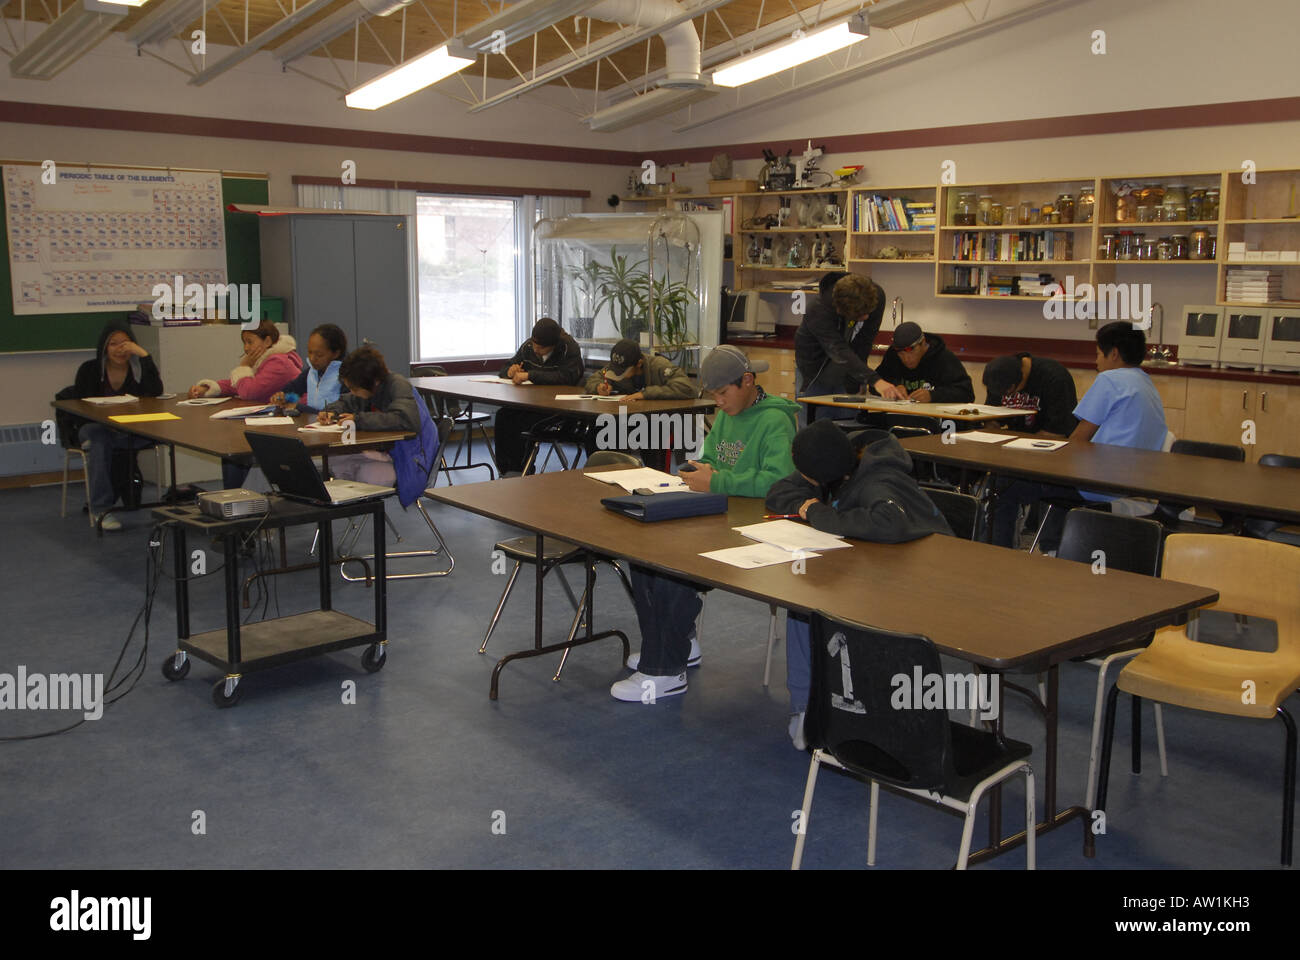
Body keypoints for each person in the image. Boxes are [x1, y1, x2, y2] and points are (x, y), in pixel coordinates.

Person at [612, 346, 799, 703]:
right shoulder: (729, 412)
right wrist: (696, 471)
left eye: (723, 393)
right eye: (712, 394)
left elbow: (778, 482)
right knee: (644, 553)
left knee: (672, 564)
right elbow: (712, 458)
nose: (718, 401)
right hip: (720, 513)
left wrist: (717, 482)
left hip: (757, 529)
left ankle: (665, 671)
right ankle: (676, 644)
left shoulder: (776, 421)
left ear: (747, 381)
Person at [767, 419, 953, 748]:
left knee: (826, 607)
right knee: (802, 603)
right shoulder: (833, 456)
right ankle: (805, 709)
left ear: (828, 475)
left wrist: (816, 513)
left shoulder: (882, 478)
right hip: (869, 563)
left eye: (811, 481)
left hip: (923, 579)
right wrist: (807, 504)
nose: (806, 482)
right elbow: (780, 491)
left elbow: (890, 524)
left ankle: (856, 709)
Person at [991, 322, 1168, 551]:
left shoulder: (1110, 380)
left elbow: (1077, 440)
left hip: (1099, 483)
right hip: (1135, 482)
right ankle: (1053, 546)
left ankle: (998, 552)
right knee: (1053, 478)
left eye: (1097, 354)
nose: (1096, 362)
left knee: (1004, 482)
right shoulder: (1146, 382)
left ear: (1113, 353)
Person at [68, 318, 164, 531]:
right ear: (104, 347)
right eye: (114, 344)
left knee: (160, 435)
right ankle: (101, 509)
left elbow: (156, 390)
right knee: (100, 440)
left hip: (132, 429)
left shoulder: (138, 368)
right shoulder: (89, 369)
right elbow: (81, 407)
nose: (120, 349)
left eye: (125, 343)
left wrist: (144, 355)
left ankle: (167, 507)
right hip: (96, 427)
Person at [188, 321, 305, 488]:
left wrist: (243, 366)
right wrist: (208, 388)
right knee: (233, 447)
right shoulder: (265, 359)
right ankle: (235, 494)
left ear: (267, 341)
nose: (246, 348)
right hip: (268, 421)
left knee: (236, 448)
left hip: (287, 426)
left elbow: (249, 391)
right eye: (244, 342)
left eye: (250, 342)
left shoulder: (279, 363)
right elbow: (239, 384)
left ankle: (236, 495)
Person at [793, 271, 907, 422]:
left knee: (848, 428)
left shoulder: (875, 296)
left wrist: (858, 380)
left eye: (868, 312)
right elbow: (838, 350)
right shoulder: (818, 309)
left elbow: (864, 342)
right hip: (815, 371)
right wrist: (875, 381)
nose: (866, 317)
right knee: (814, 430)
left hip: (848, 370)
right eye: (860, 314)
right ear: (840, 310)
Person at [317, 346, 423, 488]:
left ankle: (364, 505)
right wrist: (331, 412)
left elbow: (406, 420)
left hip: (406, 456)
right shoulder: (368, 388)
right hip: (378, 451)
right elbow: (346, 401)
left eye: (354, 388)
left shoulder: (398, 385)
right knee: (332, 459)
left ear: (374, 382)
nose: (352, 392)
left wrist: (358, 420)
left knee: (373, 476)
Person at [493, 317, 585, 476]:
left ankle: (521, 469)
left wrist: (530, 375)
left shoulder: (569, 349)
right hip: (529, 402)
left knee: (522, 423)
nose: (535, 349)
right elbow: (507, 367)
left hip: (558, 407)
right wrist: (509, 371)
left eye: (541, 348)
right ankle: (505, 468)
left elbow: (565, 377)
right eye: (534, 344)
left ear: (553, 345)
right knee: (503, 416)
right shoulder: (529, 346)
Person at [872, 321, 974, 403]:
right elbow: (874, 383)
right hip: (899, 418)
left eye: (911, 352)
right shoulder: (892, 355)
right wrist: (893, 387)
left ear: (923, 343)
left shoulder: (943, 358)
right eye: (901, 354)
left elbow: (966, 393)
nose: (906, 359)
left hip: (935, 422)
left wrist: (933, 396)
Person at [982, 352, 1078, 436]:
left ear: (1022, 378)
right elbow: (992, 418)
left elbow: (1057, 432)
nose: (1007, 396)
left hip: (1051, 443)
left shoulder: (1056, 378)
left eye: (1010, 393)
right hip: (1015, 440)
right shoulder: (999, 375)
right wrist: (991, 427)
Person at [271, 323, 349, 415]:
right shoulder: (312, 371)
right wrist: (281, 397)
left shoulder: (346, 376)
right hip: (313, 425)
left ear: (336, 353)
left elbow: (338, 413)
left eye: (319, 355)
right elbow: (292, 389)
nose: (312, 358)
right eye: (310, 352)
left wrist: (298, 407)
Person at [583, 338, 694, 400]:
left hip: (666, 424)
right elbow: (594, 379)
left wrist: (645, 394)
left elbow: (687, 388)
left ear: (639, 363)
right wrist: (598, 387)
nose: (617, 374)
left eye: (623, 371)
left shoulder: (659, 366)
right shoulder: (617, 365)